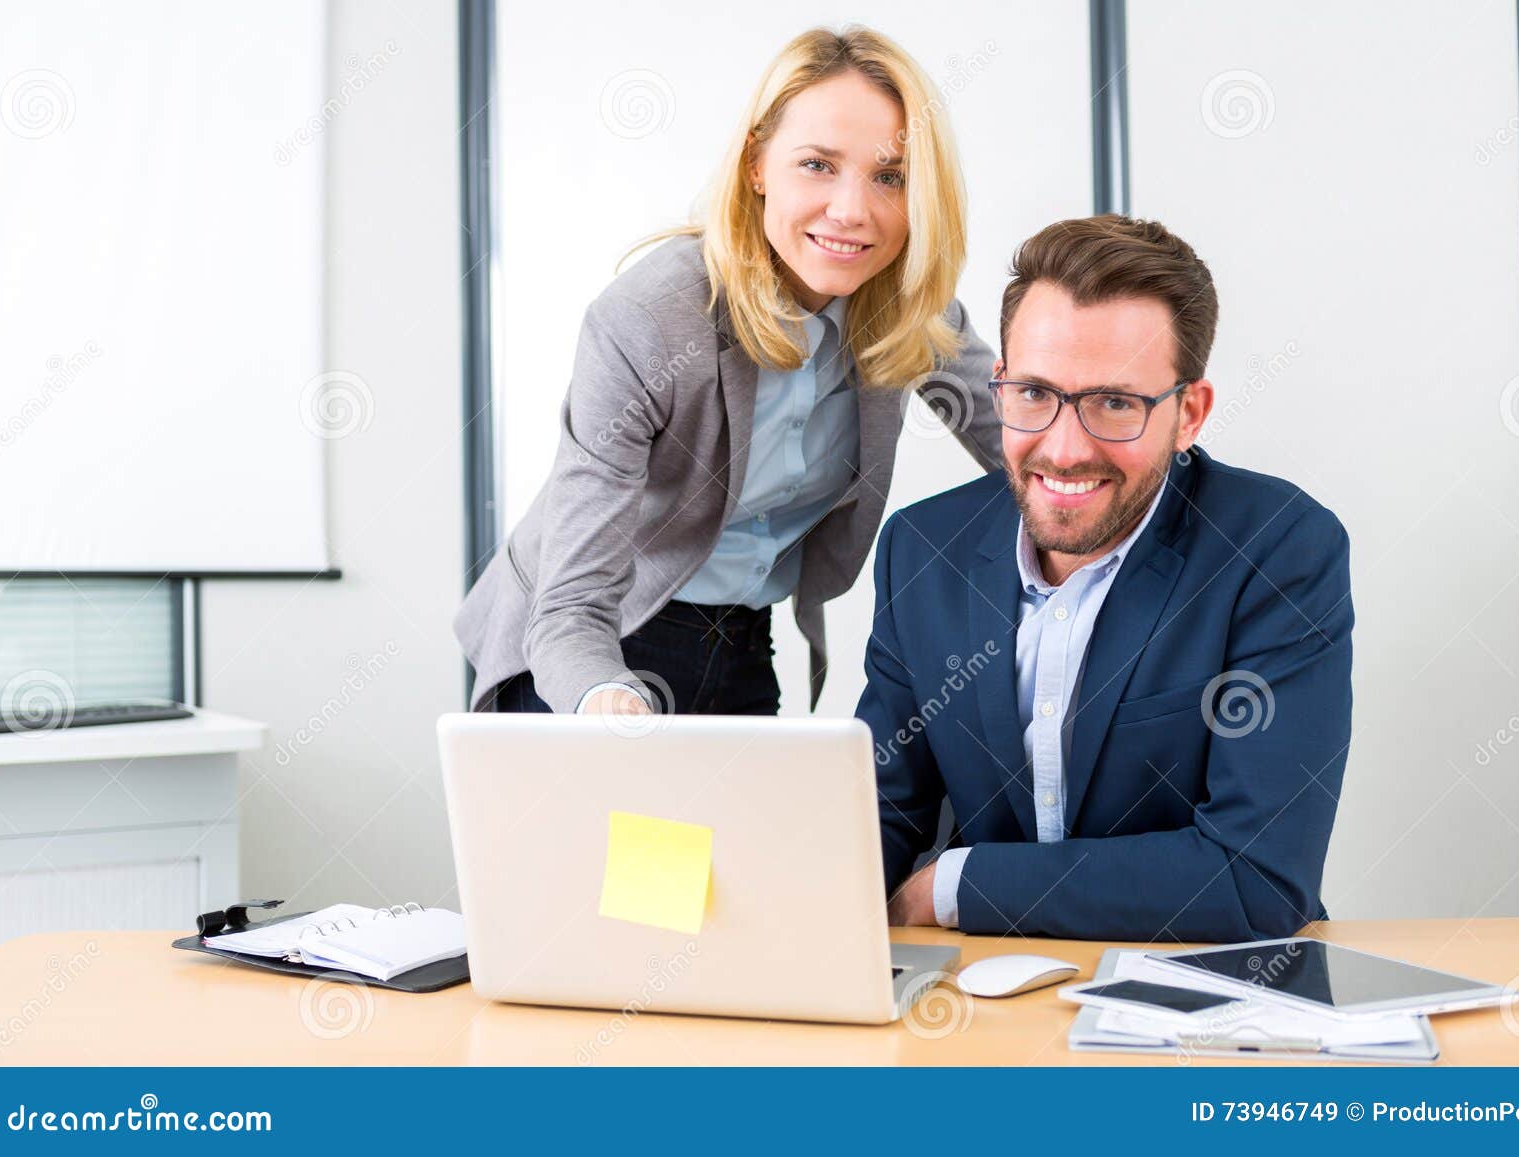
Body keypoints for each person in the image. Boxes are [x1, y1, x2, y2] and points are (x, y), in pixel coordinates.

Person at [455, 25, 1003, 717]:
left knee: (742, 829)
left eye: (889, 176)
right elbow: (571, 607)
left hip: (745, 643)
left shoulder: (911, 310)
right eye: (817, 164)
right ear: (756, 165)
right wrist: (605, 700)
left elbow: (1031, 442)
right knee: (622, 830)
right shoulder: (649, 320)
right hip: (591, 646)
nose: (851, 210)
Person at [861, 215, 1353, 942]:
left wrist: (954, 885)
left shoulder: (1276, 550)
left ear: (1189, 413)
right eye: (1033, 393)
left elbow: (1256, 877)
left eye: (1114, 403)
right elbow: (878, 816)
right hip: (984, 1004)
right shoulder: (923, 549)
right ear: (997, 387)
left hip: (1201, 1002)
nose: (1064, 448)